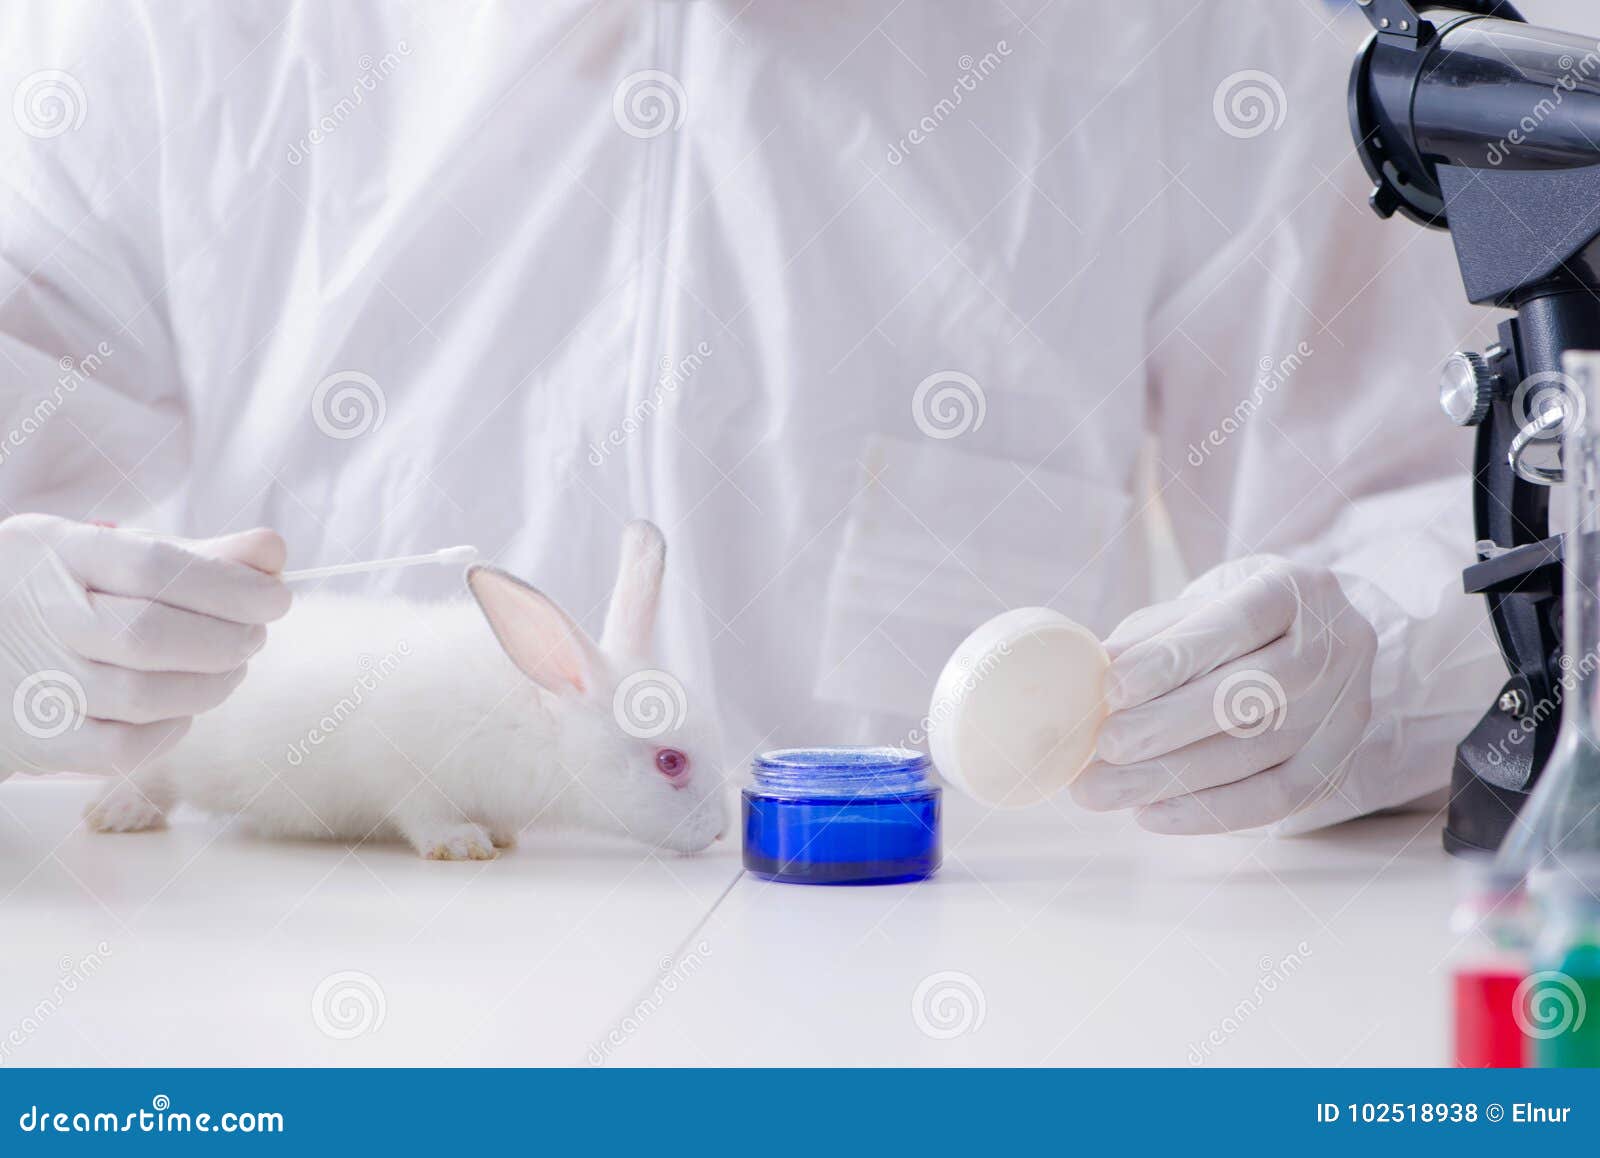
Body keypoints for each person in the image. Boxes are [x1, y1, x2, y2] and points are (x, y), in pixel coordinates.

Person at [0, 0, 1511, 833]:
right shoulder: (165, 39)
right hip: (334, 1034)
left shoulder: (1185, 44)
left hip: (964, 1033)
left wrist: (1358, 668)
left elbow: (1451, 496)